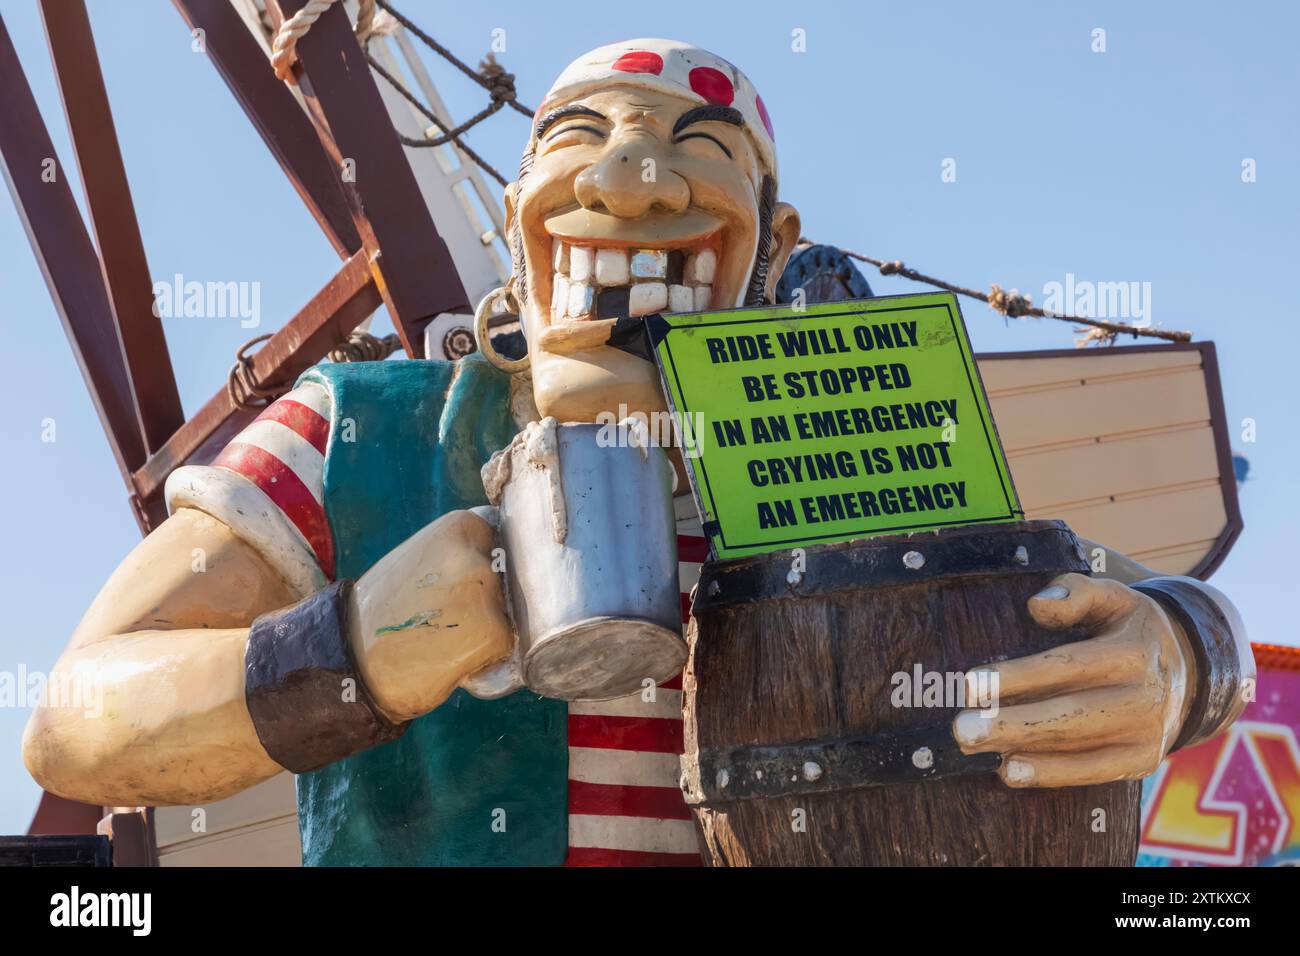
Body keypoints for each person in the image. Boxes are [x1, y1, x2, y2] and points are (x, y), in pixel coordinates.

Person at [23, 38, 1253, 866]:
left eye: (698, 149)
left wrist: (1183, 656)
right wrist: (359, 647)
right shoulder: (364, 432)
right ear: (516, 223)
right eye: (587, 136)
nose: (638, 179)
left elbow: (1094, 593)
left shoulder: (842, 436)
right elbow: (75, 721)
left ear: (773, 243)